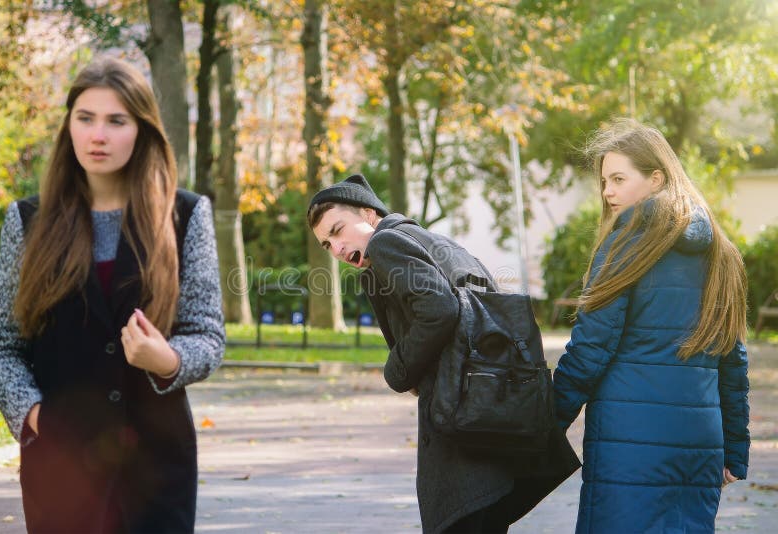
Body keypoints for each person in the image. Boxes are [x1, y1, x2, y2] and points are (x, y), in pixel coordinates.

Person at [0, 56, 225, 533]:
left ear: (142, 130)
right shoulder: (27, 221)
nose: (98, 135)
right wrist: (36, 418)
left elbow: (208, 335)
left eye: (117, 121)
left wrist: (168, 359)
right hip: (62, 468)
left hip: (157, 467)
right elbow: (1, 348)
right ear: (68, 126)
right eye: (85, 118)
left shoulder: (187, 215)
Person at [307, 174, 580, 534]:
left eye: (339, 230)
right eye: (327, 244)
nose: (338, 248)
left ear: (368, 213)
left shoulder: (387, 242)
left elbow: (439, 308)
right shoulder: (434, 241)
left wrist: (398, 370)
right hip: (490, 419)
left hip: (459, 423)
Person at [553, 118, 750, 533]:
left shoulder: (627, 244)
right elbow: (733, 361)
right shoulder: (722, 250)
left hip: (630, 442)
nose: (607, 192)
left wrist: (545, 423)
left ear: (656, 177)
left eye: (619, 179)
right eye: (605, 181)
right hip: (699, 444)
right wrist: (735, 449)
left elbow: (591, 349)